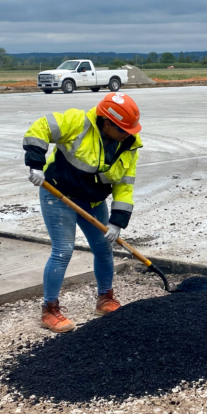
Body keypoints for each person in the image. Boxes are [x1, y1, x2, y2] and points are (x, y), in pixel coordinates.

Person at [22, 92, 143, 333]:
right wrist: (35, 163)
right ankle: (49, 310)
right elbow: (41, 127)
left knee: (103, 247)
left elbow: (124, 184)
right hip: (58, 195)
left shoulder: (129, 144)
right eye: (122, 129)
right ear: (107, 122)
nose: (127, 134)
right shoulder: (78, 122)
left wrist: (117, 221)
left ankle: (105, 299)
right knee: (63, 250)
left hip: (93, 201)